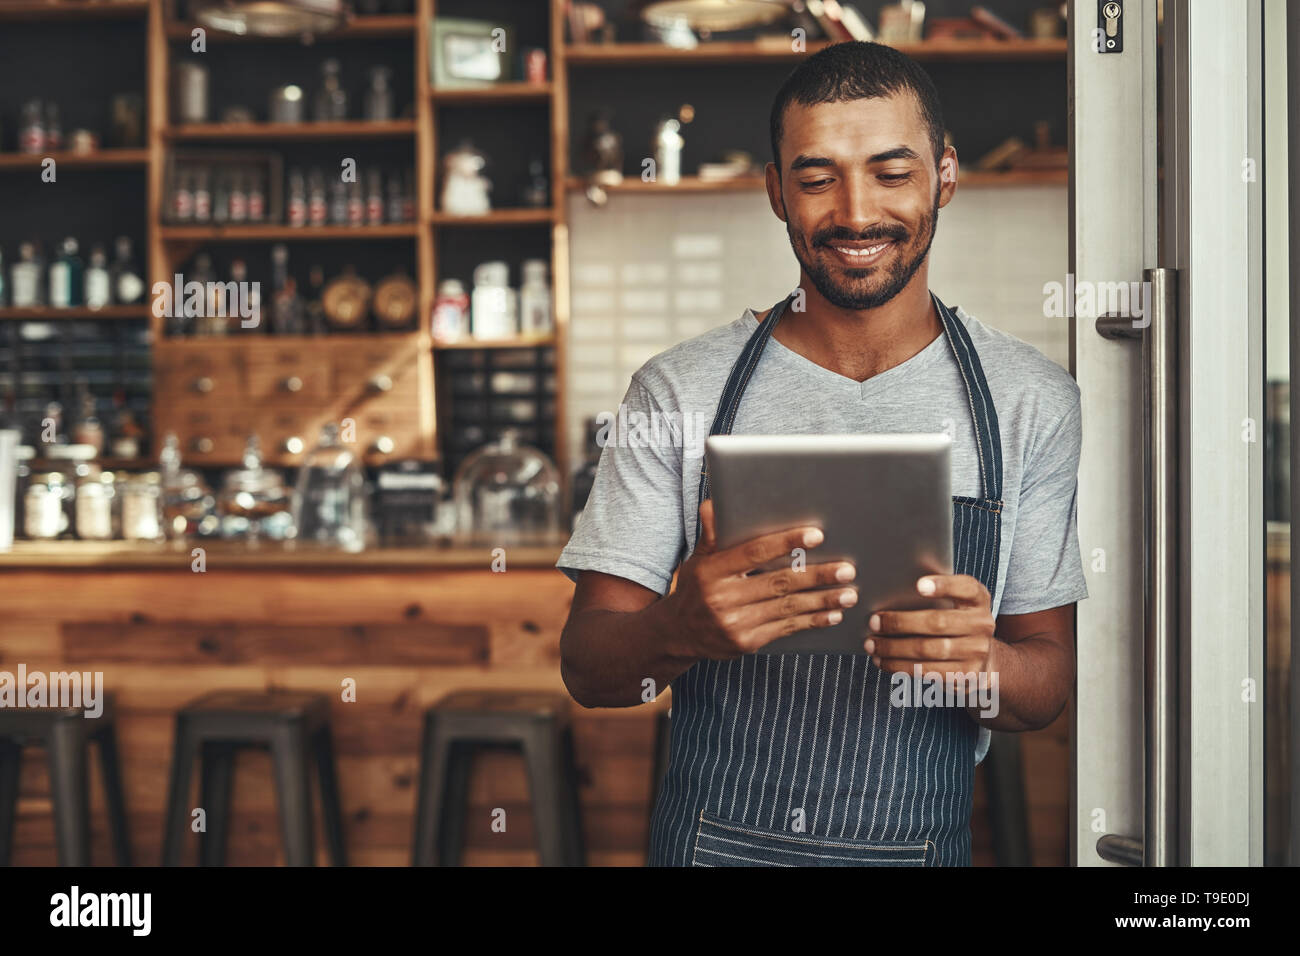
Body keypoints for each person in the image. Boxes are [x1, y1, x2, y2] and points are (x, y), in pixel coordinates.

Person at [556, 41, 1087, 867]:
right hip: (709, 847)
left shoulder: (1030, 402)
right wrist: (678, 627)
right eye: (816, 178)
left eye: (891, 170)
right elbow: (590, 667)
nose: (854, 211)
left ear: (945, 174)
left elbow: (1044, 686)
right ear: (776, 193)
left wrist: (980, 663)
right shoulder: (676, 391)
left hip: (917, 851)